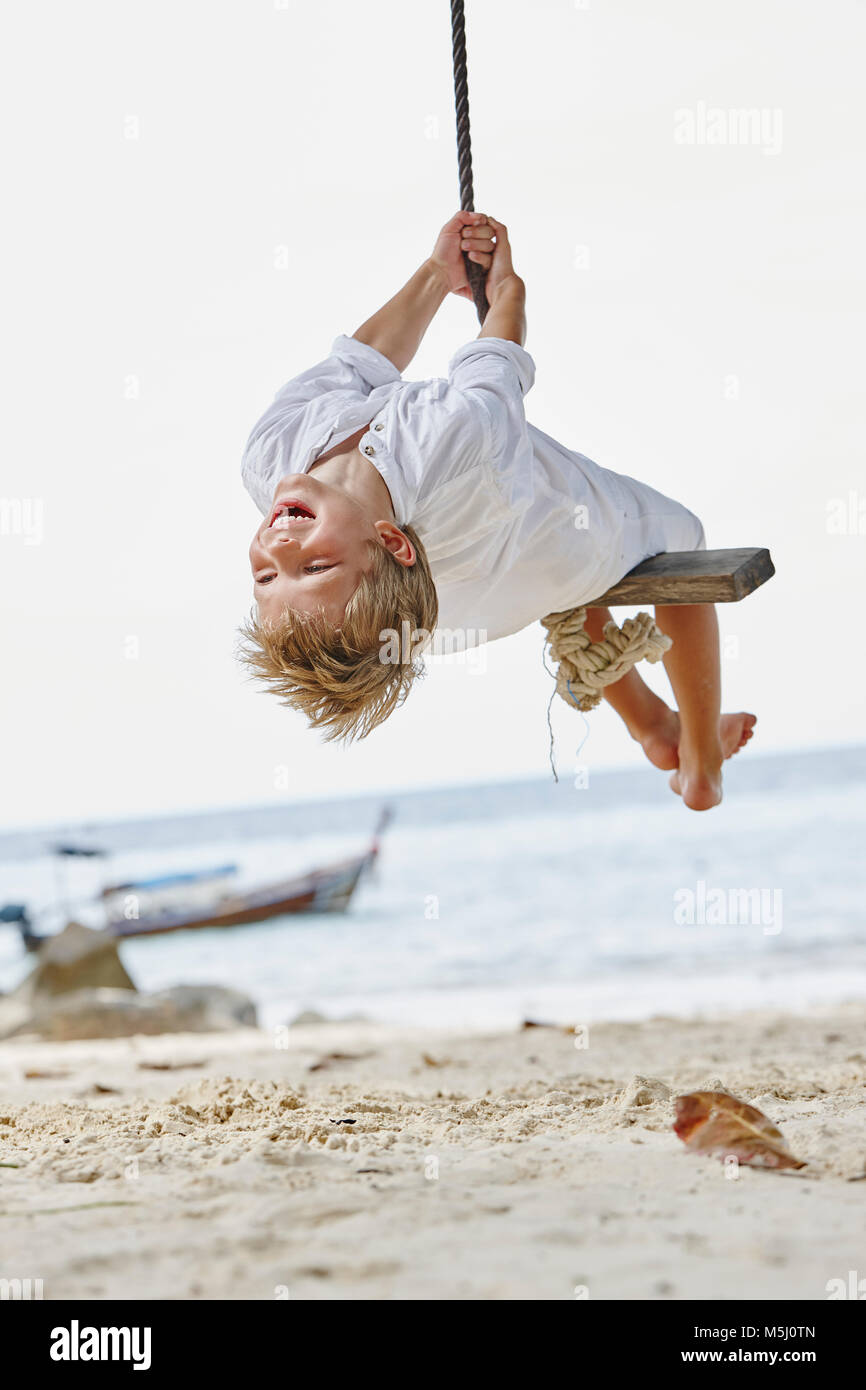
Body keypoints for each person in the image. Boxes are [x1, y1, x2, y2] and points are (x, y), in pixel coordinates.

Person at [240, 213, 755, 809]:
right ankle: (701, 762)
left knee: (566, 584)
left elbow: (355, 366)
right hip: (545, 543)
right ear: (392, 541)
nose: (280, 548)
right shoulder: (458, 439)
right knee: (679, 544)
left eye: (266, 577)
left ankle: (651, 726)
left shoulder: (271, 451)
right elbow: (495, 358)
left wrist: (437, 274)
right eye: (315, 567)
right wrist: (507, 291)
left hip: (433, 620)